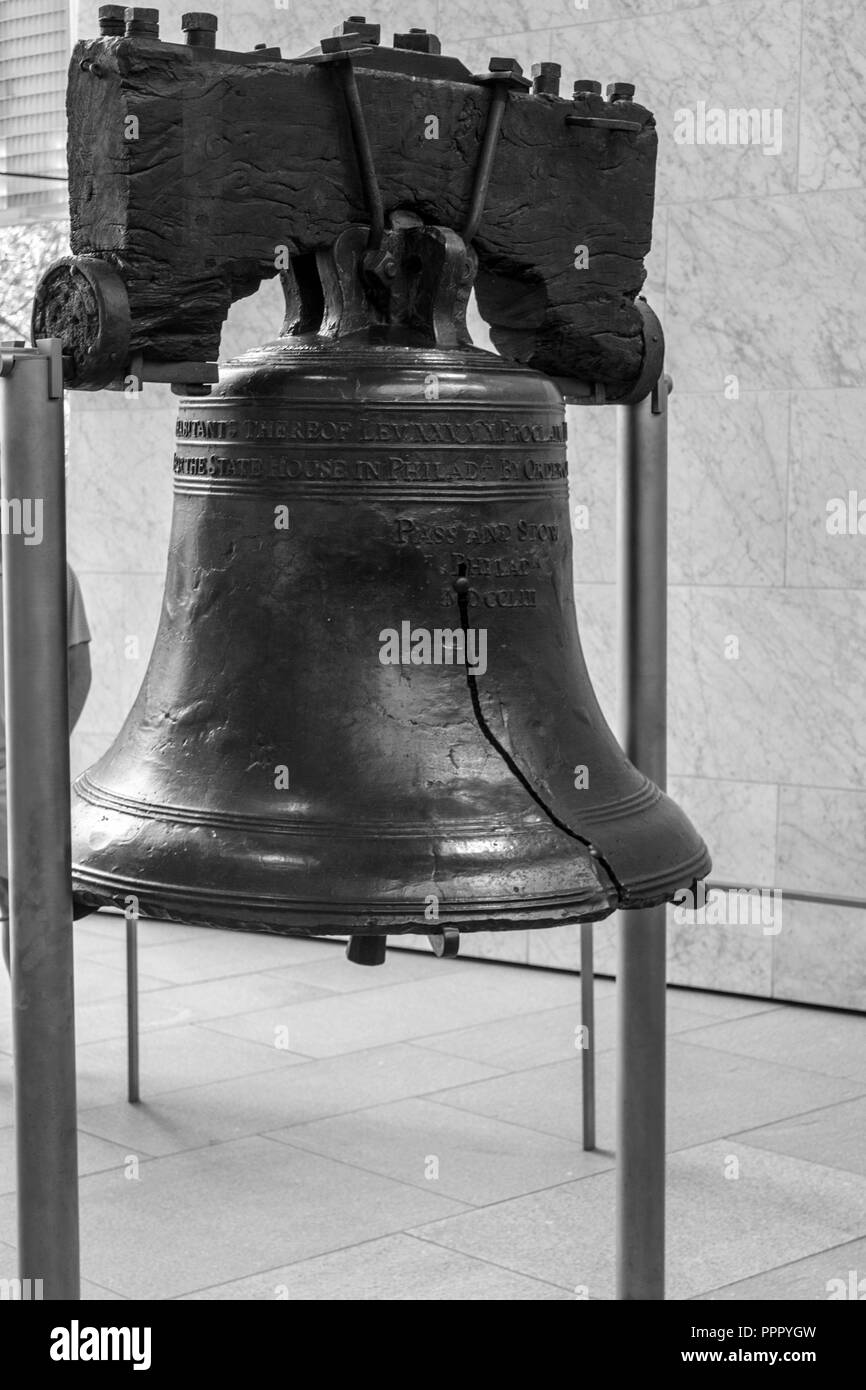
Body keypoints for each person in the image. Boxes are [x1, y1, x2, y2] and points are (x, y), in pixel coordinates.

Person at [0, 563, 91, 972]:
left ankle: (31, 1032)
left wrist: (39, 759)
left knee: (20, 902)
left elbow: (77, 673)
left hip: (15, 775)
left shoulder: (50, 572)